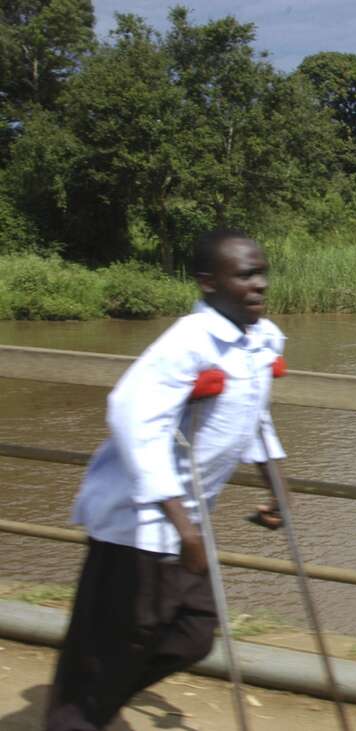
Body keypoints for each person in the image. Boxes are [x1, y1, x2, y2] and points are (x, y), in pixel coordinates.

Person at [46, 229, 288, 730]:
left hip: (186, 524)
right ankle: (79, 714)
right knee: (122, 636)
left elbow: (253, 417)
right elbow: (133, 417)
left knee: (193, 634)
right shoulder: (186, 343)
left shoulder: (257, 340)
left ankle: (92, 706)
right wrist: (185, 529)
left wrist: (277, 487)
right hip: (137, 523)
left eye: (261, 272)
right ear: (207, 282)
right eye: (245, 275)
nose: (259, 284)